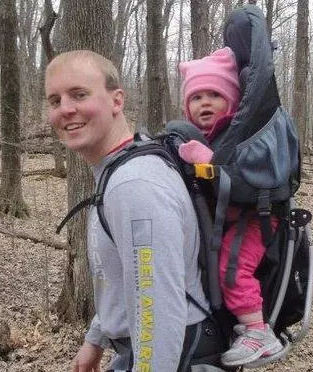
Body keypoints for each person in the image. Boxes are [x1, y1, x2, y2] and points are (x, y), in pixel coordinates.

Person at [45, 50, 223, 372]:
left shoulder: (134, 186)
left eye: (79, 94)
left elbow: (159, 313)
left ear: (117, 101)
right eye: (55, 100)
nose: (66, 109)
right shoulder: (121, 167)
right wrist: (96, 338)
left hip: (177, 354)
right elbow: (124, 279)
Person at [178, 47, 283, 367]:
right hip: (231, 219)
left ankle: (258, 331)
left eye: (214, 94)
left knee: (231, 269)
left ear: (232, 100)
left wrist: (207, 162)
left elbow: (243, 179)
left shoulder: (239, 134)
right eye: (196, 98)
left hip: (255, 219)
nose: (204, 102)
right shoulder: (208, 136)